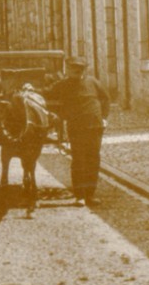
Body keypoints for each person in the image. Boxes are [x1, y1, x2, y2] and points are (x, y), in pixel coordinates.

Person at [45, 56, 109, 206]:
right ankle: (80, 195)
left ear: (84, 69)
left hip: (95, 126)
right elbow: (47, 92)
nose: (77, 71)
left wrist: (104, 117)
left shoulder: (93, 82)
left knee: (93, 160)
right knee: (79, 160)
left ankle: (91, 195)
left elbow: (105, 98)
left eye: (80, 69)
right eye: (74, 69)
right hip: (76, 127)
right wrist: (29, 88)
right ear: (68, 69)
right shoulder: (63, 85)